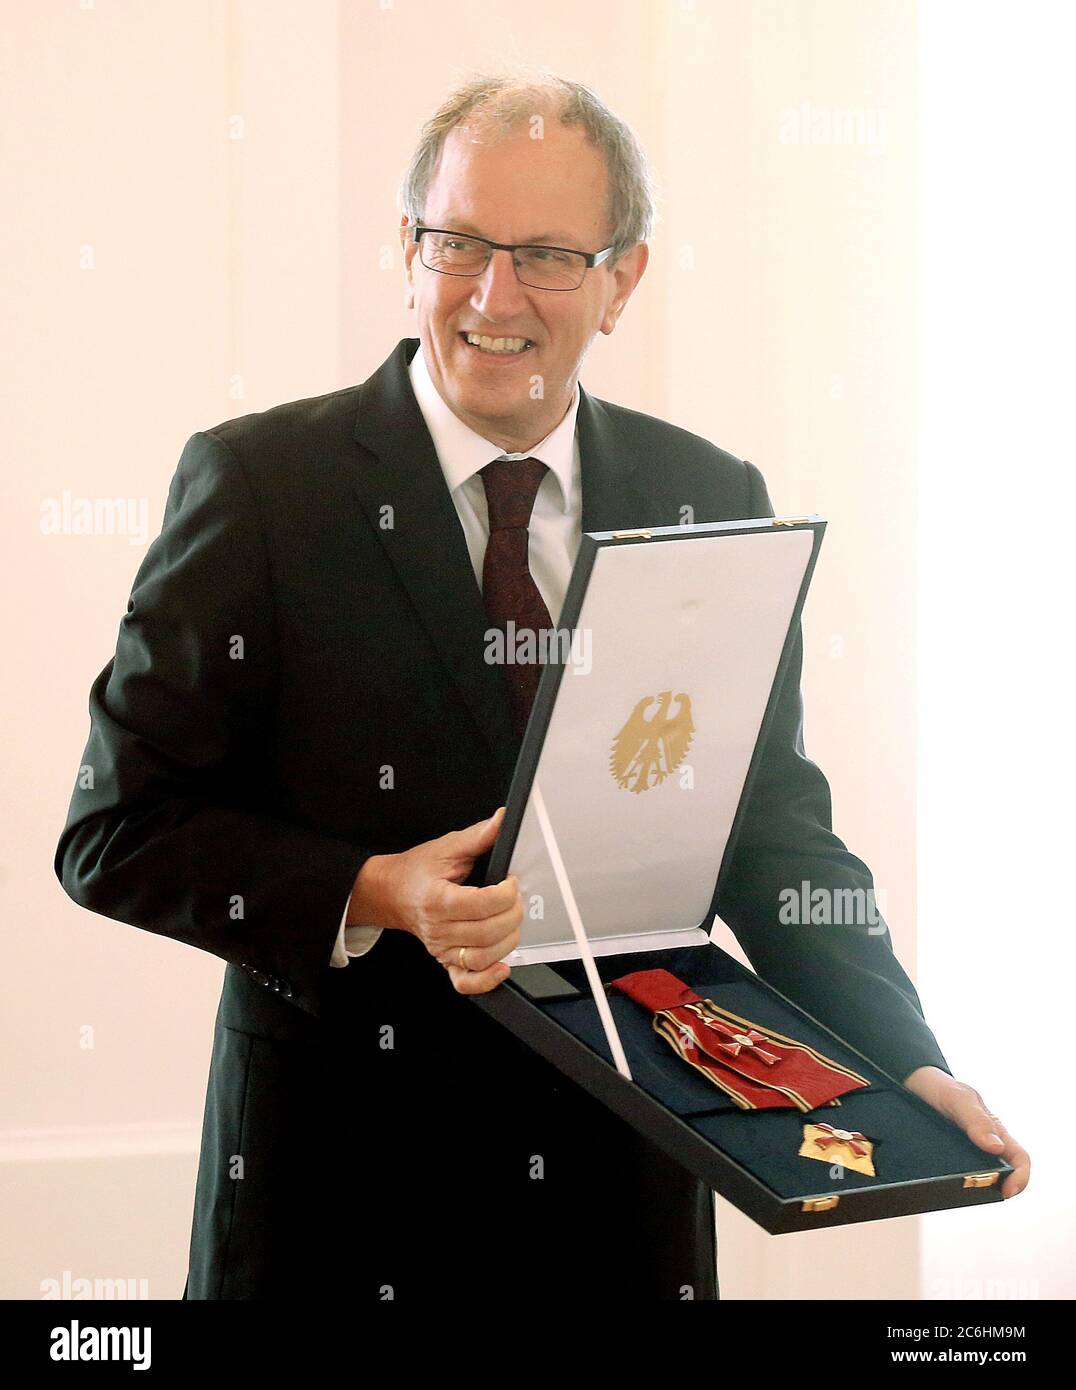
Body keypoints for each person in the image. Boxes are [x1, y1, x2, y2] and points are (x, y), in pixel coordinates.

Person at [54, 70, 1028, 1302]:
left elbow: (770, 827)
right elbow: (115, 828)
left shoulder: (707, 493)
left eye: (549, 256)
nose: (492, 294)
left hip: (626, 1191)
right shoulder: (258, 487)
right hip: (335, 1197)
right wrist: (374, 892)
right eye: (458, 242)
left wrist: (906, 1063)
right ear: (406, 248)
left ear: (622, 280)